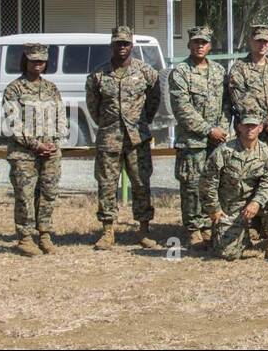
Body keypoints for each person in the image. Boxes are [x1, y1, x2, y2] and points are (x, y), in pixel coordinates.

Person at [86, 25, 161, 250]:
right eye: (118, 43)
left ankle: (144, 230)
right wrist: (108, 125)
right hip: (109, 138)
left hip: (138, 138)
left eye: (126, 43)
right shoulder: (98, 74)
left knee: (141, 183)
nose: (122, 47)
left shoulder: (146, 72)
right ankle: (108, 231)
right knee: (107, 185)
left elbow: (154, 100)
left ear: (132, 45)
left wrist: (141, 121)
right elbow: (93, 107)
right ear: (112, 44)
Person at [168, 25, 230, 251]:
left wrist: (222, 128)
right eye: (196, 42)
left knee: (213, 184)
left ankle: (209, 225)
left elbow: (227, 104)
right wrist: (208, 130)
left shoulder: (219, 71)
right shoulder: (181, 72)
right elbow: (182, 109)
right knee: (192, 186)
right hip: (193, 142)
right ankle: (193, 229)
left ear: (210, 45)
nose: (200, 46)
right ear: (189, 44)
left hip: (217, 140)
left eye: (204, 42)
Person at [200, 106, 268, 263]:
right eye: (246, 125)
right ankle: (241, 240)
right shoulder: (224, 151)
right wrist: (214, 209)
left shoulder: (266, 154)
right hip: (231, 207)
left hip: (254, 205)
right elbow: (207, 182)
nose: (250, 129)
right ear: (239, 127)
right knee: (227, 254)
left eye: (254, 126)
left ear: (260, 128)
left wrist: (257, 202)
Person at [3, 42, 65, 256]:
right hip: (24, 154)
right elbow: (13, 124)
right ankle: (25, 238)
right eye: (33, 60)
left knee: (48, 194)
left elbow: (60, 117)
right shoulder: (14, 89)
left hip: (50, 152)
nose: (37, 64)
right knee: (25, 196)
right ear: (26, 61)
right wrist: (36, 145)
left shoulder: (51, 88)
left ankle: (45, 235)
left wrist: (55, 142)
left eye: (41, 61)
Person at [226, 24, 268, 157]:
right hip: (252, 135)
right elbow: (241, 102)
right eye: (259, 40)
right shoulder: (239, 69)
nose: (263, 44)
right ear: (251, 41)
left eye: (266, 41)